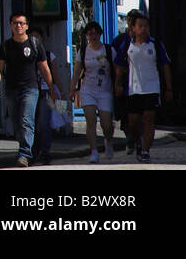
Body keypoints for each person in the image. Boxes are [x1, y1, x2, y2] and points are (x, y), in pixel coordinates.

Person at [0, 11, 53, 167]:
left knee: (27, 120)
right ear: (10, 26)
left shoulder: (35, 44)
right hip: (11, 89)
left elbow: (44, 68)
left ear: (26, 26)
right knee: (17, 123)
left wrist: (52, 88)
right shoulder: (6, 46)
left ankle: (25, 154)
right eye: (15, 23)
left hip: (30, 89)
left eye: (21, 23)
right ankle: (29, 149)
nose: (18, 25)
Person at [114, 11, 174, 163]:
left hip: (151, 87)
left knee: (149, 119)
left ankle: (146, 150)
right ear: (133, 28)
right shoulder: (127, 44)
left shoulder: (155, 44)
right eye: (140, 26)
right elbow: (120, 65)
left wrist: (168, 87)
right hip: (133, 89)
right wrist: (118, 83)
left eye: (146, 26)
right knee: (133, 122)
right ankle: (137, 142)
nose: (143, 29)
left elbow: (165, 65)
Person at [71, 21, 116, 163]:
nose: (93, 35)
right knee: (90, 121)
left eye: (95, 32)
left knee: (106, 123)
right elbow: (77, 71)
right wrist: (72, 89)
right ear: (86, 35)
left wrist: (118, 85)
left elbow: (117, 69)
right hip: (87, 90)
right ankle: (94, 151)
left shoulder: (109, 50)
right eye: (90, 33)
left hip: (105, 90)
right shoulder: (83, 51)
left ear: (100, 34)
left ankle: (108, 141)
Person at [28, 26, 59, 165]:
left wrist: (59, 91)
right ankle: (33, 151)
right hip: (31, 90)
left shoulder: (48, 54)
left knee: (44, 123)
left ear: (42, 39)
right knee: (32, 123)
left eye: (37, 37)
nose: (34, 40)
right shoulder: (27, 53)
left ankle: (46, 152)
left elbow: (54, 74)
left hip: (46, 91)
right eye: (32, 37)